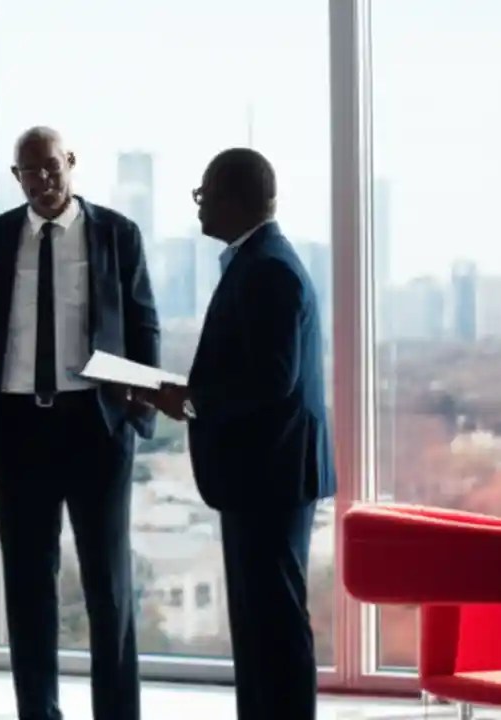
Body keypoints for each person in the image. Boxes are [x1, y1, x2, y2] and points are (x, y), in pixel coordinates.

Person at [0, 127, 159, 720]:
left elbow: (143, 325)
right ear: (15, 177)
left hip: (96, 426)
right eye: (28, 172)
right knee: (27, 586)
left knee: (108, 586)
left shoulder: (116, 234)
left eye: (50, 167)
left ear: (70, 161)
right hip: (17, 429)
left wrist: (137, 410)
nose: (41, 181)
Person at [144, 148, 335, 720]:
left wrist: (191, 401)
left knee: (274, 624)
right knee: (258, 624)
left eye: (204, 194)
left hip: (270, 475)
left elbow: (272, 381)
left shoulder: (268, 268)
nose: (199, 206)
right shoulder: (257, 261)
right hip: (262, 473)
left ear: (234, 199)